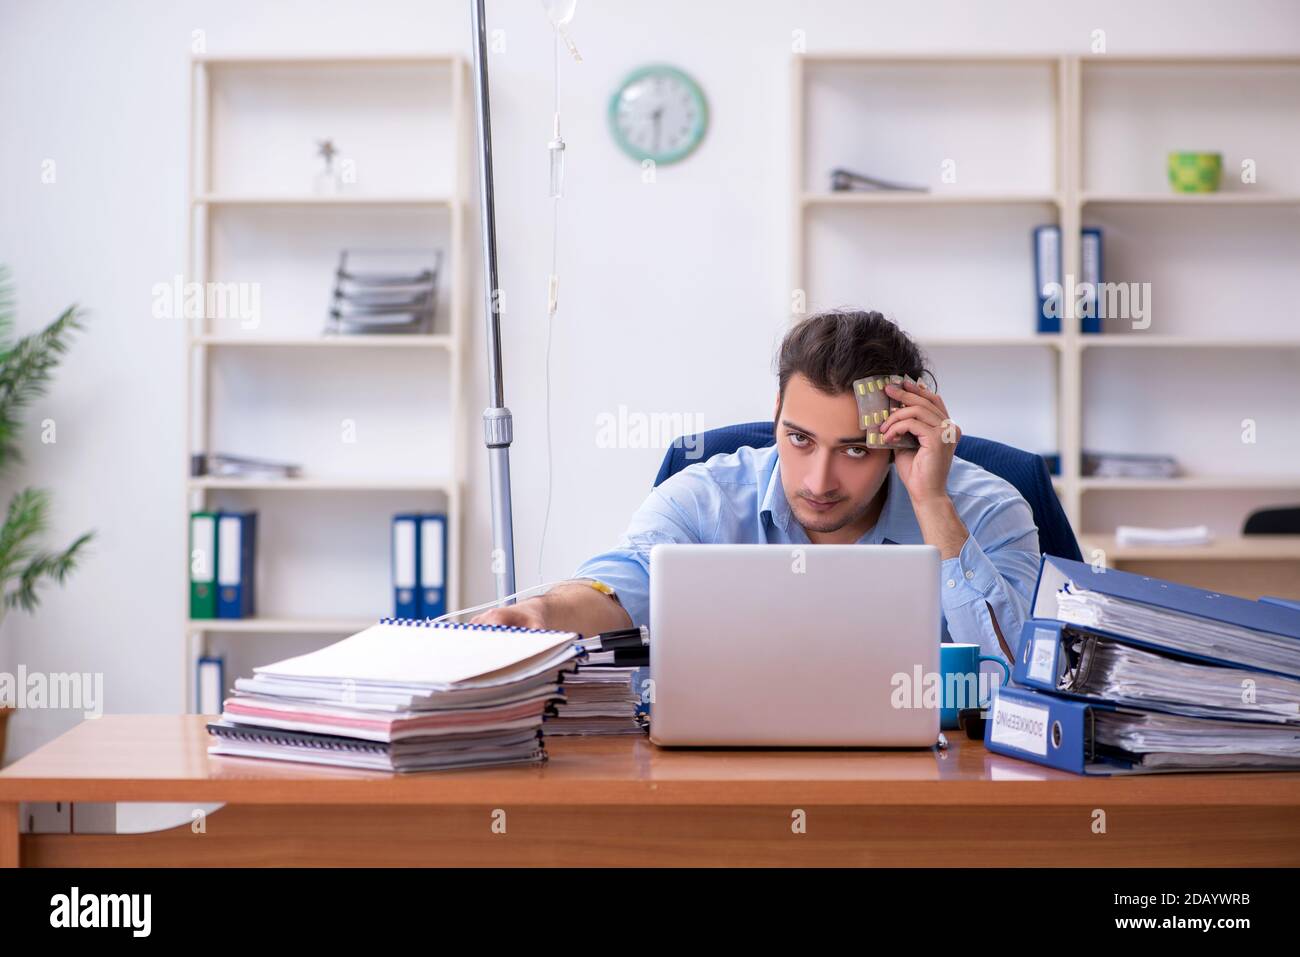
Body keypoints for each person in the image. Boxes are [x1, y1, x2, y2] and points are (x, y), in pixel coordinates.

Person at [472, 309, 1042, 666]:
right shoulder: (706, 498)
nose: (819, 481)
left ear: (899, 437)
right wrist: (539, 615)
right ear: (775, 414)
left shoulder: (986, 509)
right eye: (799, 439)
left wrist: (933, 504)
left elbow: (1022, 677)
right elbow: (621, 589)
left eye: (855, 450)